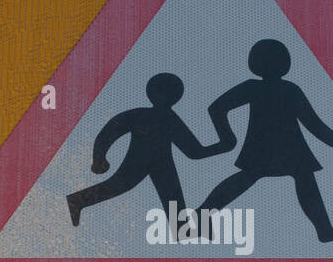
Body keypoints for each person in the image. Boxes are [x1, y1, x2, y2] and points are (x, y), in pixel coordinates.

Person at [199, 39, 333, 242]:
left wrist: (227, 138)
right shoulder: (281, 89)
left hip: (281, 146)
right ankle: (200, 216)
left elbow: (313, 123)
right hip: (277, 146)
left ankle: (324, 230)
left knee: (291, 178)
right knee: (265, 178)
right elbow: (314, 125)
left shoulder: (274, 88)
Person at [67, 72, 221, 228]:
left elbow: (193, 151)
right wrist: (99, 157)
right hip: (141, 161)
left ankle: (182, 227)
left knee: (168, 197)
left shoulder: (164, 117)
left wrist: (222, 146)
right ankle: (77, 200)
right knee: (118, 185)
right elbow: (110, 131)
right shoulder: (149, 115)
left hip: (162, 164)